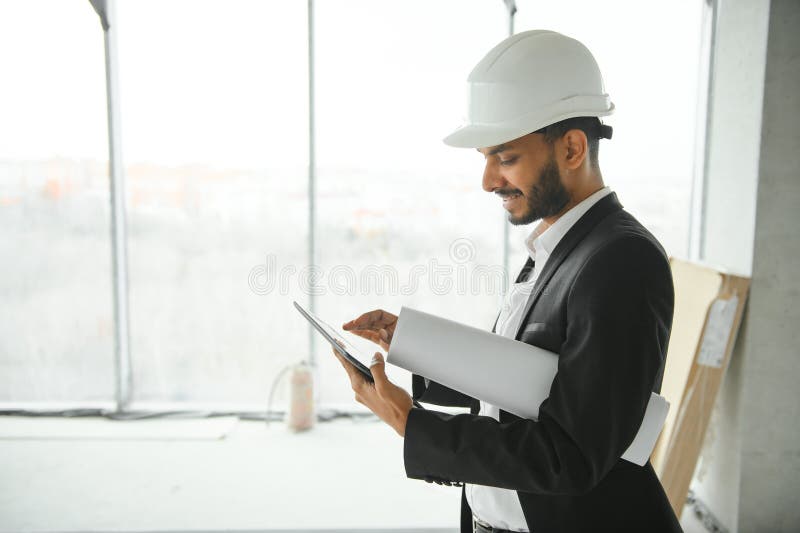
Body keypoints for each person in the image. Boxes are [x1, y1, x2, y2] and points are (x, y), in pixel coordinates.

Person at [332, 30, 683, 532]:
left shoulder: (620, 261)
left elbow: (572, 455)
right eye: (486, 160)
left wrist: (413, 425)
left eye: (506, 157)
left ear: (572, 148)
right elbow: (526, 384)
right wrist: (414, 347)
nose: (488, 180)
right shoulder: (558, 245)